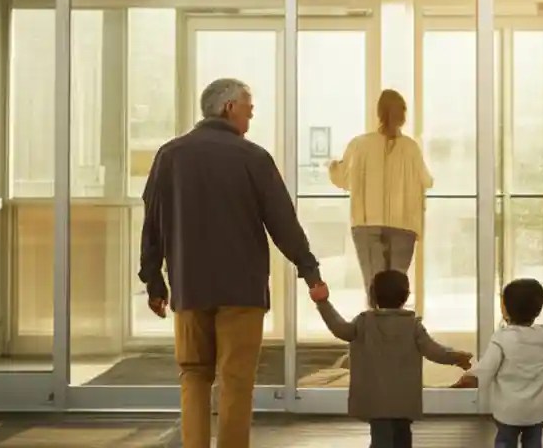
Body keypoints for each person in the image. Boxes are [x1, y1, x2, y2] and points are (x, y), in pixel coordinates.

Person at [140, 78, 325, 448]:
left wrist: (154, 281)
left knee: (194, 375)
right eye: (248, 110)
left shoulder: (170, 156)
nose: (250, 118)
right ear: (229, 108)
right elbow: (282, 222)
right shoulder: (253, 158)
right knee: (236, 379)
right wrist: (309, 270)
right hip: (242, 290)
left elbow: (153, 221)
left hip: (190, 286)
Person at [310, 270, 473, 448]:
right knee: (402, 438)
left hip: (375, 400)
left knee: (382, 440)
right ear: (406, 296)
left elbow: (340, 329)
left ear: (373, 295)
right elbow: (433, 350)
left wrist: (323, 303)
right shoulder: (412, 325)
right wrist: (456, 357)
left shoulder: (364, 322)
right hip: (404, 400)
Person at [454, 279, 543, 448]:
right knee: (533, 442)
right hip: (537, 410)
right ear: (538, 310)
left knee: (505, 441)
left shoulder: (501, 339)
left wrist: (470, 377)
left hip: (508, 411)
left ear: (505, 310)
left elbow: (487, 368)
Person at [330, 90, 433, 293]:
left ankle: (375, 314)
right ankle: (394, 313)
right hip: (404, 224)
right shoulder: (411, 148)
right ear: (403, 116)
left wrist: (332, 166)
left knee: (374, 286)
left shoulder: (360, 145)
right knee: (396, 289)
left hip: (367, 223)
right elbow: (426, 180)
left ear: (379, 113)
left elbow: (342, 178)